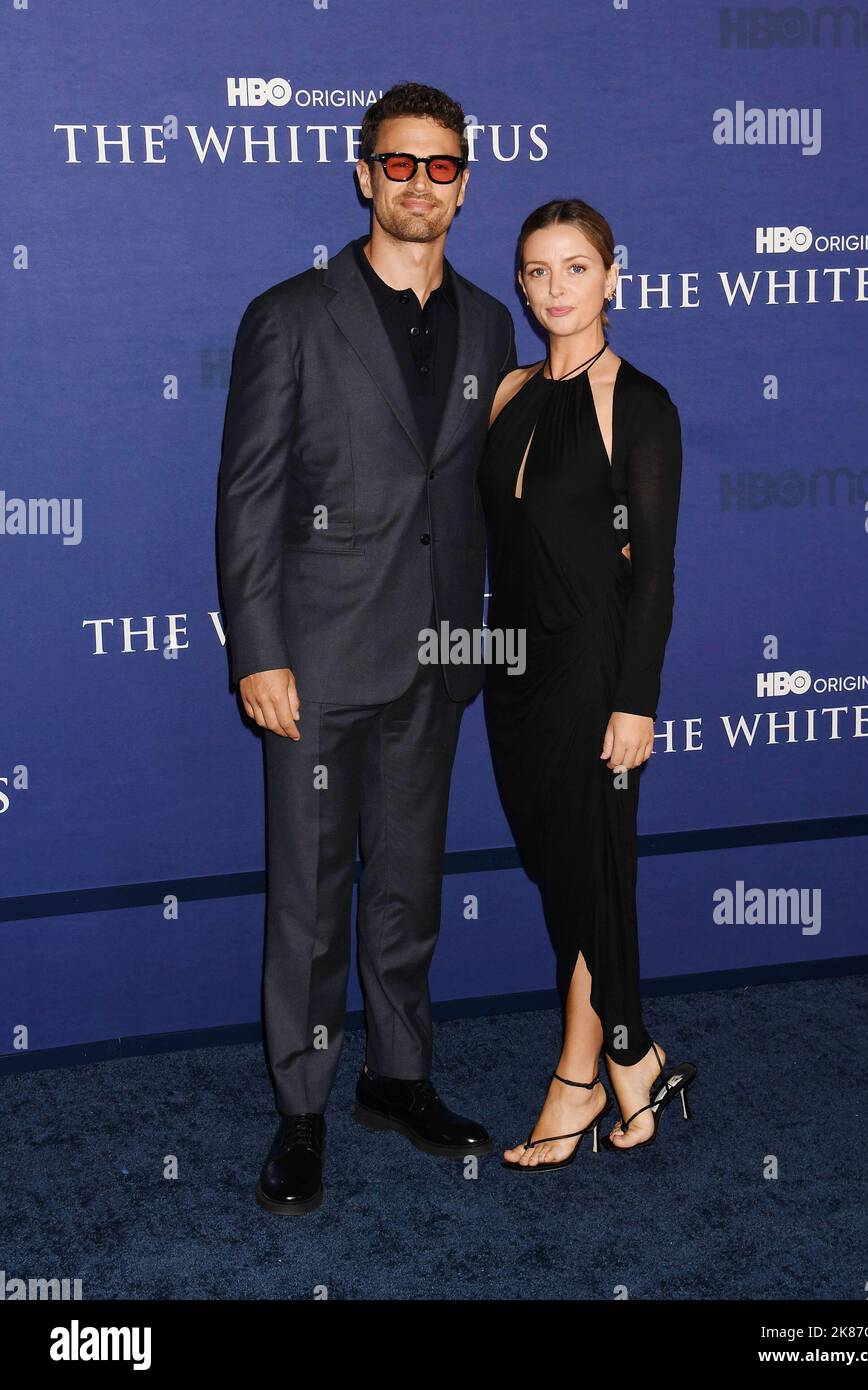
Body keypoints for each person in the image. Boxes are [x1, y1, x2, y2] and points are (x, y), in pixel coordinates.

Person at [216, 82, 517, 1214]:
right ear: (362, 173)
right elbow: (246, 497)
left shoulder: (491, 321)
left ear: (464, 182)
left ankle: (398, 1079)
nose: (420, 185)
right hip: (320, 659)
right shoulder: (290, 314)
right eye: (400, 165)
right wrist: (258, 648)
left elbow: (484, 495)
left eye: (442, 166)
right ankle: (302, 1112)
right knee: (308, 900)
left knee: (408, 889)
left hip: (437, 656)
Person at [478, 199, 696, 1171]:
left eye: (574, 268)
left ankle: (584, 1071)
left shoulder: (634, 401)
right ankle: (633, 1057)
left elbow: (651, 569)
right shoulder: (509, 391)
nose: (554, 288)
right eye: (536, 271)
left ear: (612, 275)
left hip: (595, 665)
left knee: (592, 867)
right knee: (566, 869)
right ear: (521, 284)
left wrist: (634, 698)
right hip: (513, 664)